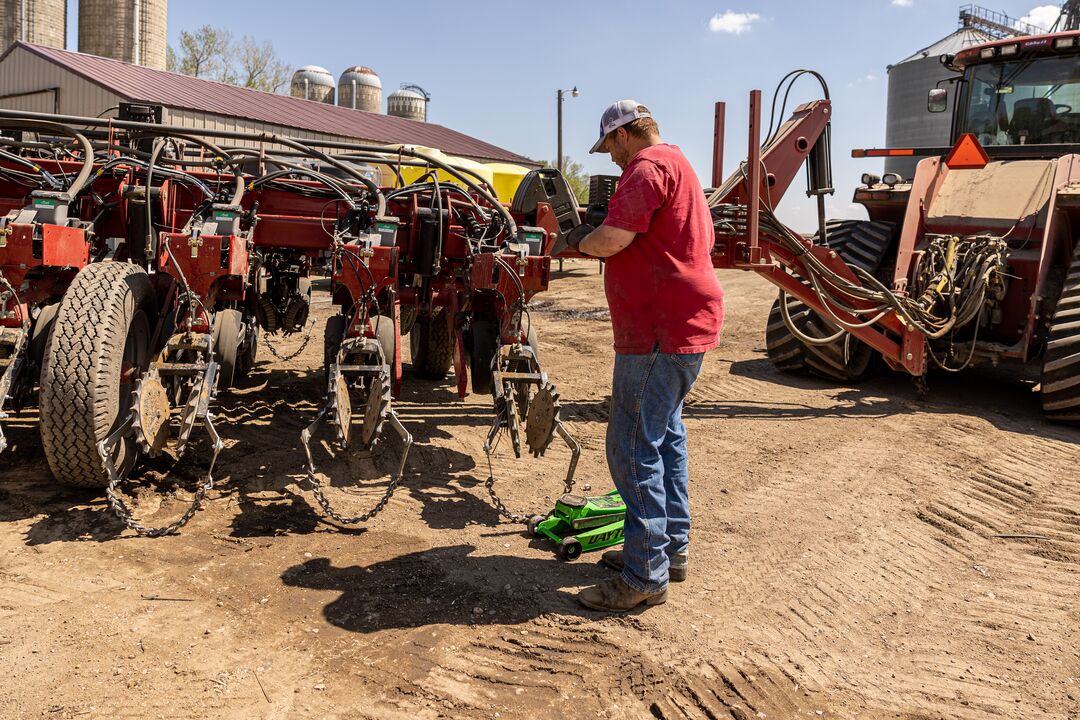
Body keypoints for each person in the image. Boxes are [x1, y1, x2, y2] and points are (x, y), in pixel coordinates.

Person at [565, 100, 724, 612]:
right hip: (683, 325)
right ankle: (667, 551)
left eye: (609, 147)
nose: (610, 160)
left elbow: (613, 239)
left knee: (632, 447)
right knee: (665, 438)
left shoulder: (647, 167)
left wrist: (579, 240)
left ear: (624, 136)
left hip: (657, 330)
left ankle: (643, 577)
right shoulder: (679, 164)